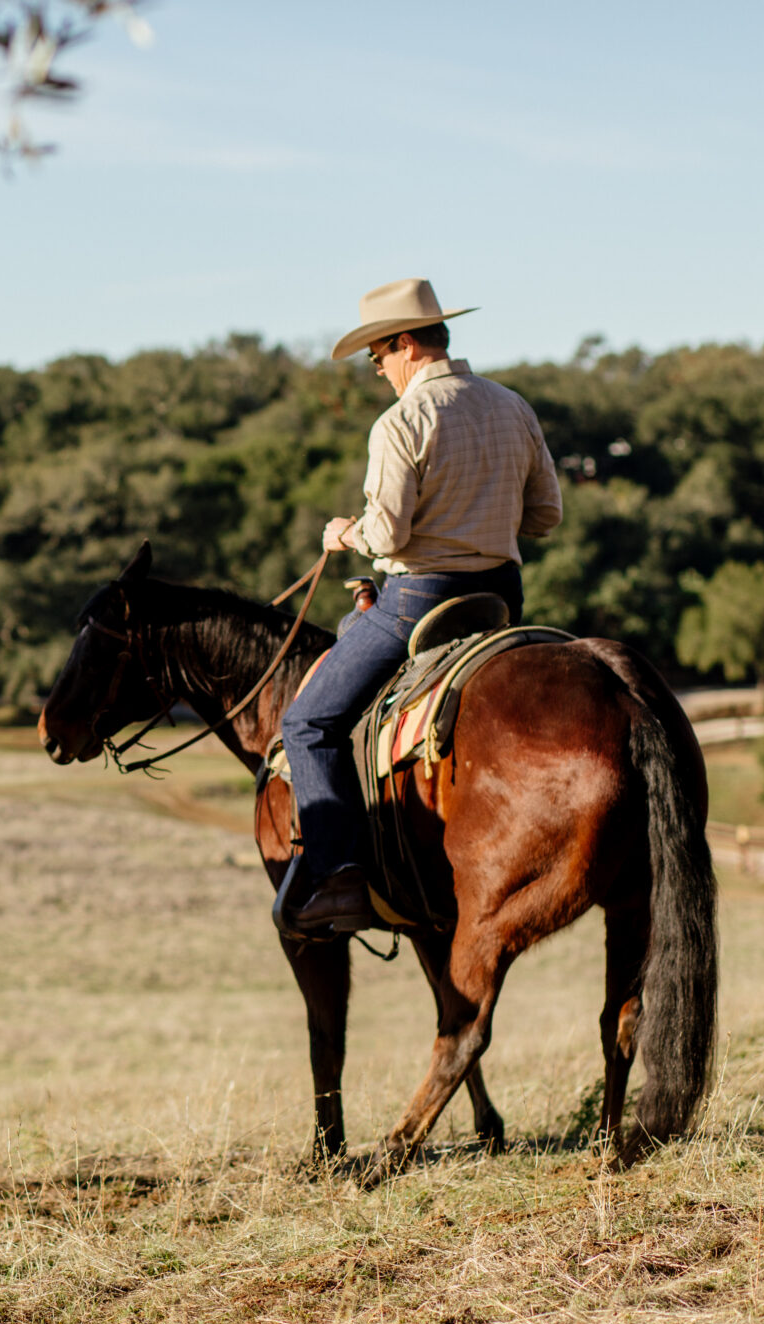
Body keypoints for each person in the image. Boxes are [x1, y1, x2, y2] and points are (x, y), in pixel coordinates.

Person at [281, 279, 565, 935]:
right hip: (499, 600)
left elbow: (387, 537)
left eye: (378, 357)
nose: (378, 371)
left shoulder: (402, 422)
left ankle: (339, 875)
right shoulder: (512, 406)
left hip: (418, 602)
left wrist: (343, 533)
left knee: (308, 724)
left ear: (404, 344)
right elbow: (546, 516)